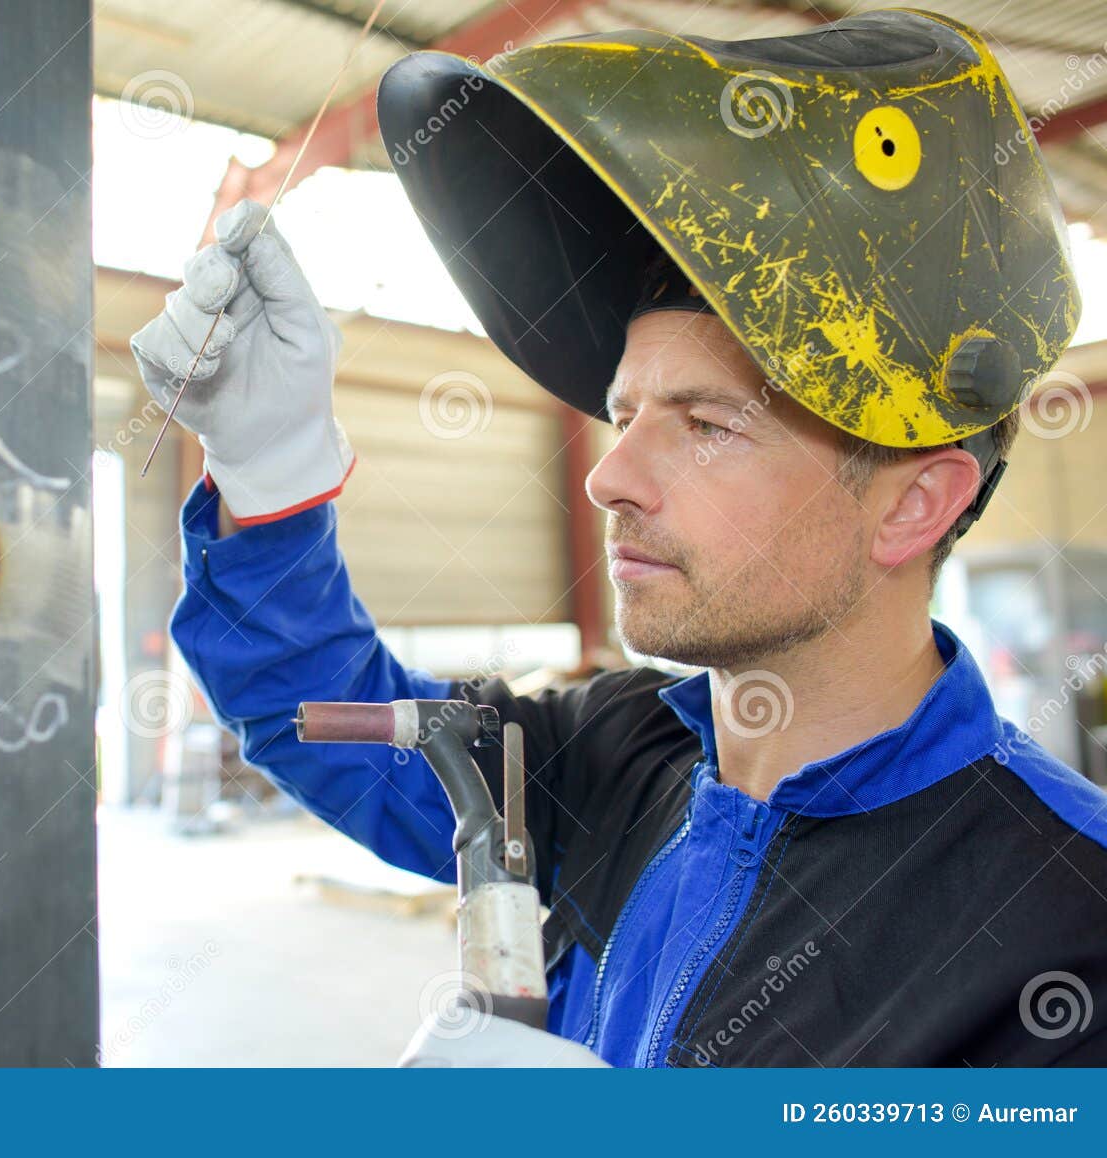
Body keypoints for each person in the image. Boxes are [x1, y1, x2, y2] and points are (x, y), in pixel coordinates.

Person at [130, 9, 1107, 1065]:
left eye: (706, 427)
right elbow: (322, 715)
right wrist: (268, 475)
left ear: (914, 504)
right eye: (624, 413)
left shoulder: (1067, 916)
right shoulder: (609, 754)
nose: (607, 477)